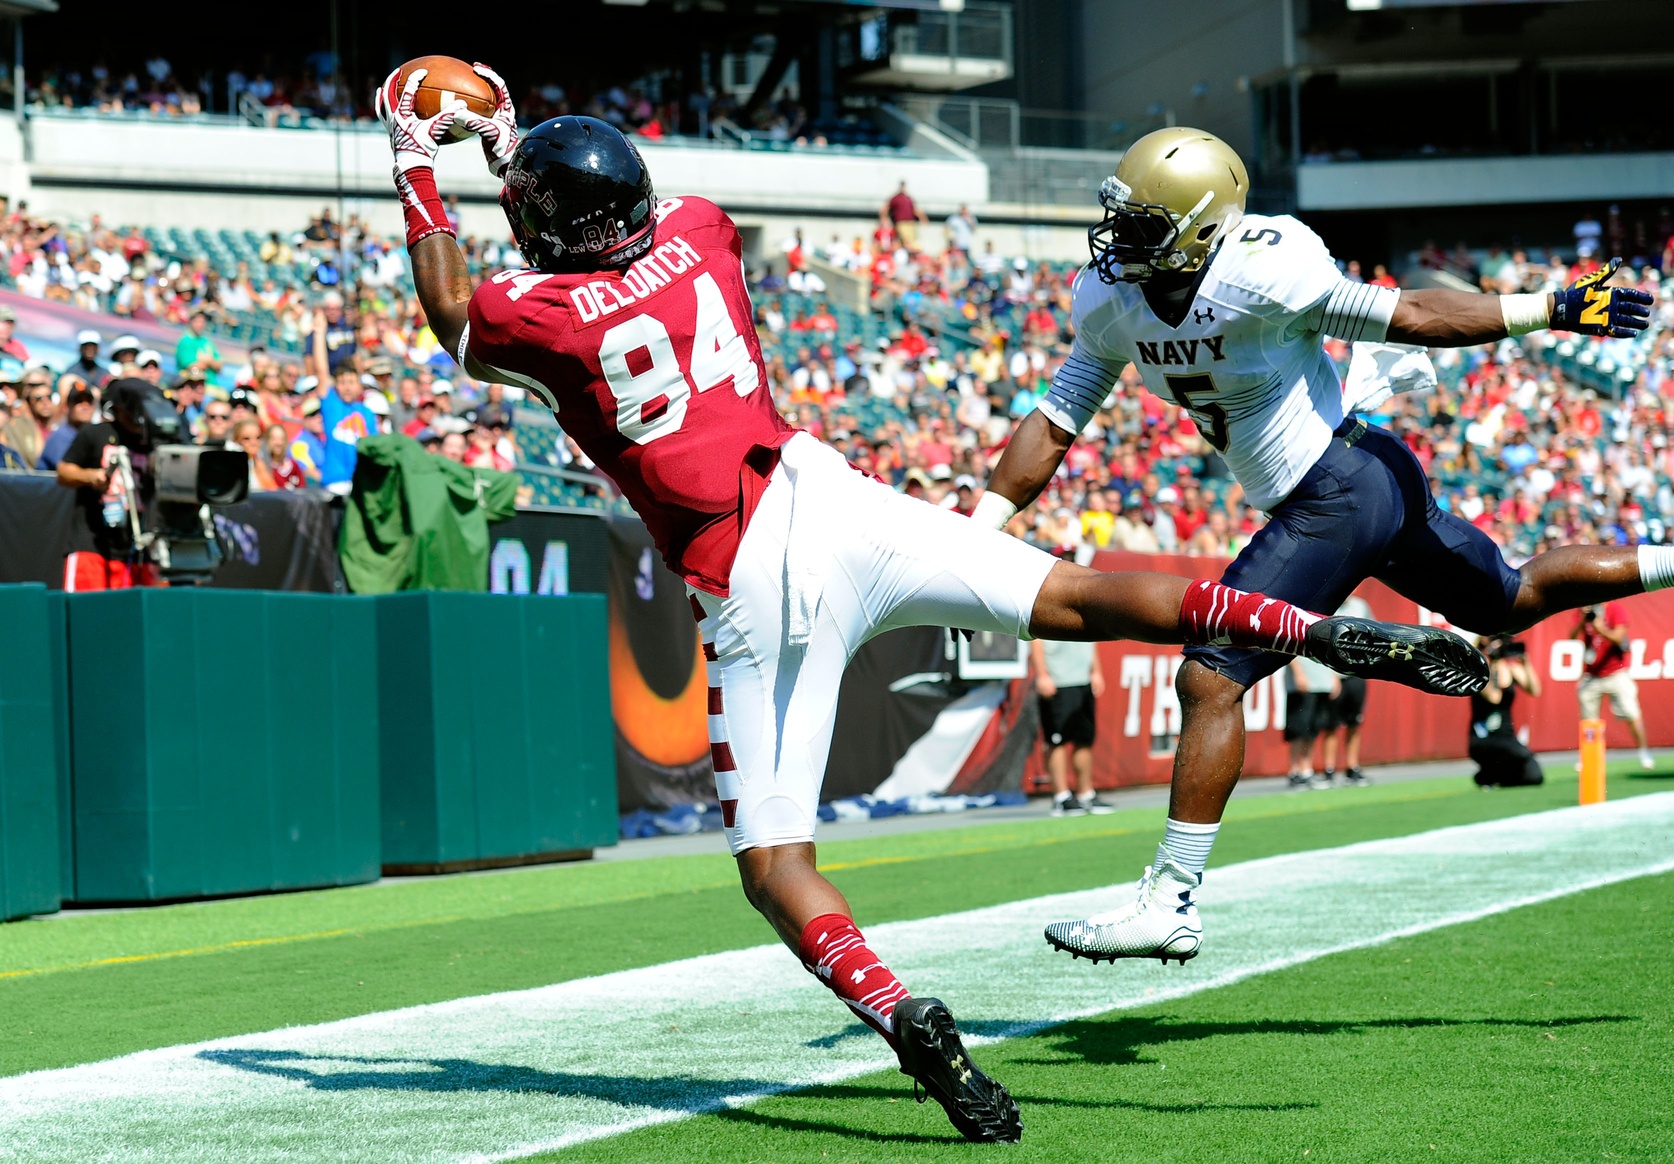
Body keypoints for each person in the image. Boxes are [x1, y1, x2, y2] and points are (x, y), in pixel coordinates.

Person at [378, 73, 1479, 1144]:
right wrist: (501, 148)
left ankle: (902, 1014)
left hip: (746, 570)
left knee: (776, 867)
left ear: (547, 228)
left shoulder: (542, 315)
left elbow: (451, 303)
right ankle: (1313, 628)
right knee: (1078, 595)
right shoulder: (703, 229)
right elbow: (610, 218)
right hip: (832, 493)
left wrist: (419, 168)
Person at [974, 126, 1657, 965]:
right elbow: (1057, 417)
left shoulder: (1263, 265)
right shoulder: (1109, 297)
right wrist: (974, 529)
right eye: (1120, 218)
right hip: (1362, 475)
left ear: (1200, 226)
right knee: (1508, 598)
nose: (1118, 241)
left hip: (1333, 487)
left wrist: (1546, 309)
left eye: (1144, 224)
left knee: (1209, 672)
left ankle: (1171, 901)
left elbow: (1406, 313)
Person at [55, 378, 159, 591]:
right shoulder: (95, 433)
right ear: (118, 409)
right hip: (92, 543)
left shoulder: (154, 441)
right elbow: (63, 472)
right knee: (84, 612)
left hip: (137, 547)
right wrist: (92, 476)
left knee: (138, 617)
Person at [1031, 630, 1111, 815]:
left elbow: (1091, 639)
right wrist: (1042, 675)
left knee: (1084, 739)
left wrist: (1096, 671)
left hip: (1082, 681)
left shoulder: (1086, 606)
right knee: (1057, 740)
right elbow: (1036, 640)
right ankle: (1061, 797)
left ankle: (1085, 793)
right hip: (1058, 682)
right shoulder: (1046, 605)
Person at [1573, 603, 1655, 769]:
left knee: (1632, 713)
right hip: (1592, 674)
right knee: (1588, 721)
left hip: (1616, 672)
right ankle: (1588, 757)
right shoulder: (1583, 609)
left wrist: (1599, 626)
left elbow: (1618, 638)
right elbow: (1571, 637)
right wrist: (1583, 620)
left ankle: (1644, 752)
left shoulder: (1615, 609)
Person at [1469, 635, 1543, 788]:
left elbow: (1535, 690)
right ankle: (1488, 773)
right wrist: (1494, 663)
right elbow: (1494, 697)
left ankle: (1492, 776)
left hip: (1507, 736)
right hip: (1484, 738)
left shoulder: (1511, 668)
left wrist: (1526, 663)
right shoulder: (1479, 670)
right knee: (1521, 753)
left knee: (1534, 776)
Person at [1320, 593, 1372, 785]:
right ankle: (1329, 769)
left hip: (1356, 673)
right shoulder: (1329, 604)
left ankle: (1352, 767)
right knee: (1331, 725)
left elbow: (1374, 634)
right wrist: (1329, 675)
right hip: (1335, 675)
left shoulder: (1361, 606)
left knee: (1354, 722)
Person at [318, 364, 376, 491]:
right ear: (336, 386)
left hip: (360, 481)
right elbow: (322, 371)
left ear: (360, 386)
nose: (347, 387)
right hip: (334, 481)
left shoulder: (367, 413)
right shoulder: (330, 404)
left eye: (351, 382)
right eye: (342, 382)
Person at [1284, 653, 1338, 790]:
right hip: (1302, 684)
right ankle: (1294, 771)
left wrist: (1334, 677)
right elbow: (1290, 650)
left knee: (1313, 729)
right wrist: (1298, 673)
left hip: (1322, 683)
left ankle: (1307, 771)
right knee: (1298, 729)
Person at [3, 369, 58, 467]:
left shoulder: (59, 427)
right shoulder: (18, 424)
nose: (44, 402)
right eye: (38, 398)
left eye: (48, 397)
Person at [37, 383, 96, 470]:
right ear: (67, 407)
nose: (85, 406)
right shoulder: (61, 436)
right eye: (79, 402)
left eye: (89, 402)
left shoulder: (92, 434)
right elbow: (68, 471)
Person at [288, 397, 327, 486]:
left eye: (322, 413)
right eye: (313, 415)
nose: (320, 418)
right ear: (304, 419)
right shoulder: (298, 445)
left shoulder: (323, 441)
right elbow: (309, 472)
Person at [174, 309, 222, 377]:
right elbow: (191, 367)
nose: (200, 324)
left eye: (202, 321)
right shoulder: (185, 341)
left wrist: (208, 361)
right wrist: (210, 362)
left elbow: (220, 366)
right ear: (190, 322)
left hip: (211, 383)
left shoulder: (207, 342)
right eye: (197, 321)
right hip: (193, 383)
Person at [883, 180, 926, 252]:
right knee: (907, 241)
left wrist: (923, 218)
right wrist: (884, 218)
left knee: (912, 240)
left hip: (910, 223)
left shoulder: (908, 198)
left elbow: (915, 210)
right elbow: (886, 208)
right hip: (901, 222)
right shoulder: (895, 198)